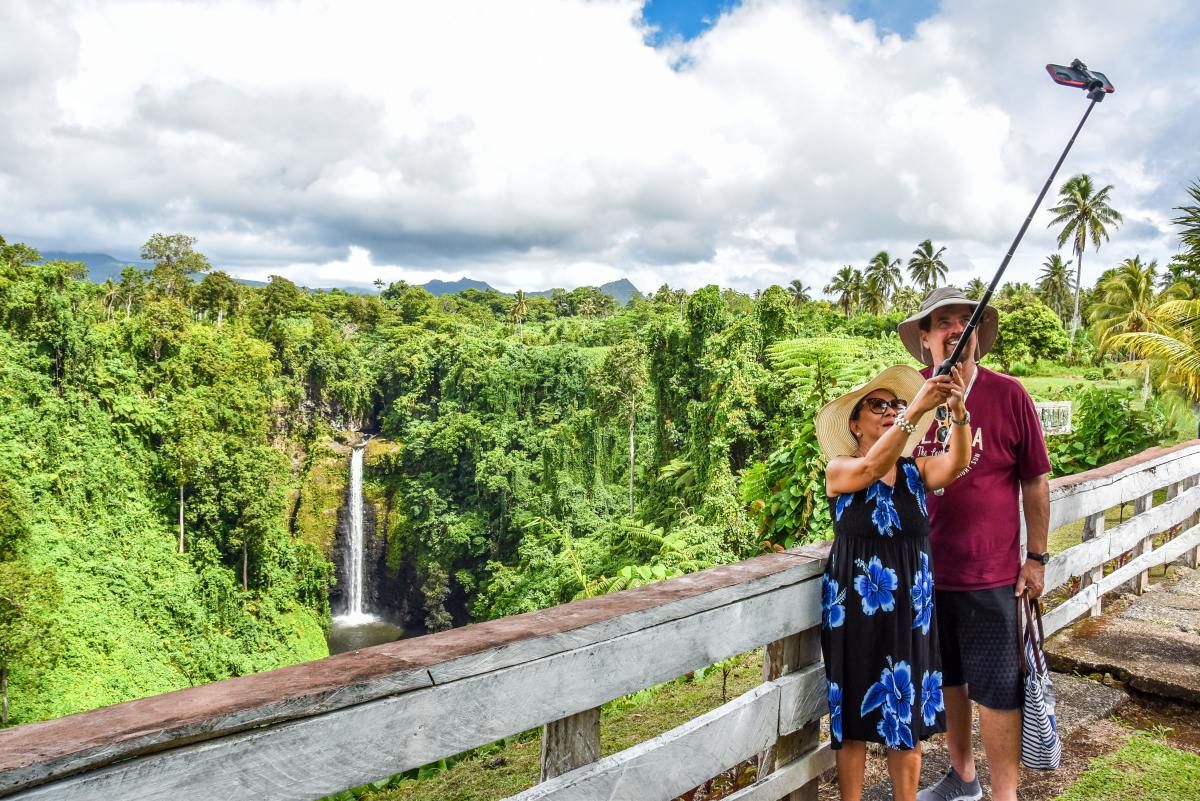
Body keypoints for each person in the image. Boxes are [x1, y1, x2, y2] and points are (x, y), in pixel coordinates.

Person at [897, 287, 1052, 801]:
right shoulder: (906, 397)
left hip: (991, 576)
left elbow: (1035, 480)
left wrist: (1035, 558)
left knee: (999, 689)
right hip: (925, 575)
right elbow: (877, 465)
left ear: (977, 340)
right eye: (944, 320)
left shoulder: (1009, 395)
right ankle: (963, 776)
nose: (955, 328)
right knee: (951, 682)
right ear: (925, 338)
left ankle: (1004, 793)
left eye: (967, 320)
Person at [816, 363, 972, 801]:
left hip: (911, 607)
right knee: (852, 714)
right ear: (854, 423)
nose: (890, 410)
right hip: (854, 607)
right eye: (878, 405)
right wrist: (919, 406)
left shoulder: (914, 472)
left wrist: (958, 411)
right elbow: (869, 469)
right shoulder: (840, 468)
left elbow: (957, 462)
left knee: (904, 716)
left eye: (897, 404)